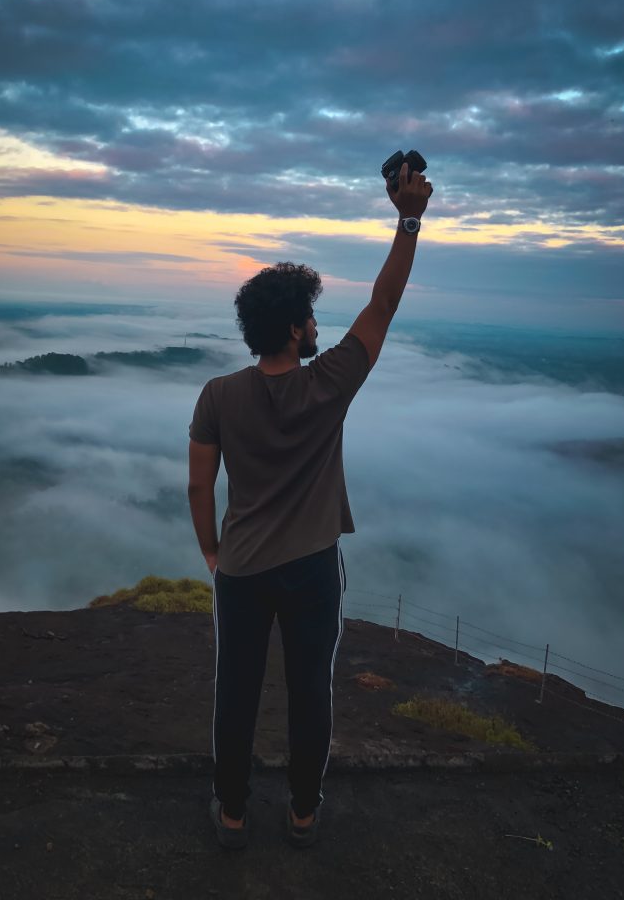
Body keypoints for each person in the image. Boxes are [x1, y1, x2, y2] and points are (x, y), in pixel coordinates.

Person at [188, 162, 433, 847]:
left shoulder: (218, 395)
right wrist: (408, 221)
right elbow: (383, 306)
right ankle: (302, 813)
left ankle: (232, 814)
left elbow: (199, 486)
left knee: (233, 694)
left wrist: (212, 549)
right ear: (296, 330)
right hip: (312, 569)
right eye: (313, 317)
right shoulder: (330, 382)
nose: (319, 325)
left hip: (239, 571)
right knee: (310, 694)